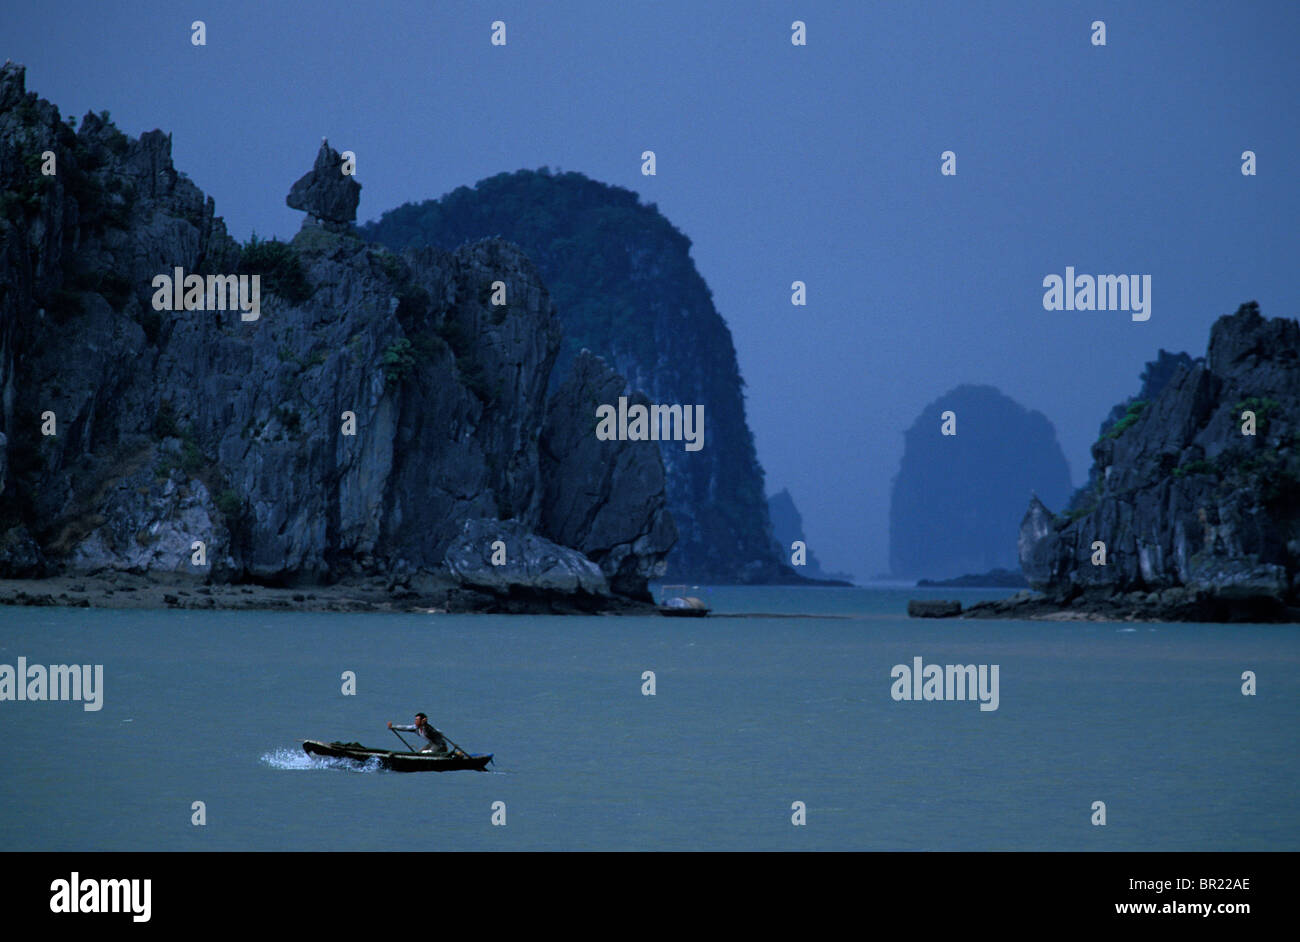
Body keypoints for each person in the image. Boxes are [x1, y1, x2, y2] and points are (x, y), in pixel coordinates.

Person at [388, 713, 467, 757]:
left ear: (422, 720)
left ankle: (455, 754)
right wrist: (393, 727)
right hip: (431, 744)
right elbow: (405, 727)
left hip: (440, 745)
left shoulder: (428, 728)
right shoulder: (415, 728)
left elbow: (435, 732)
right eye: (415, 719)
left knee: (426, 754)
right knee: (418, 754)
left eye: (417, 720)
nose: (415, 721)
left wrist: (425, 724)